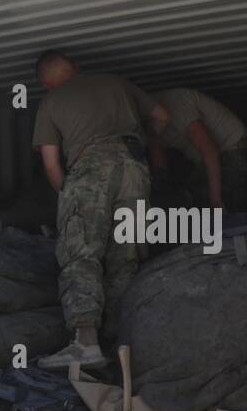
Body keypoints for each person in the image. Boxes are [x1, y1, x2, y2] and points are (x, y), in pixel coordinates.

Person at [31, 50, 170, 369]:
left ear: (46, 84)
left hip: (90, 170)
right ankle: (121, 341)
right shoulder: (116, 82)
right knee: (126, 254)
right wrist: (142, 143)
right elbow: (163, 117)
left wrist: (69, 198)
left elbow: (51, 164)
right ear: (76, 68)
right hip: (134, 168)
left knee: (81, 252)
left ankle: (86, 343)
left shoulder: (51, 103)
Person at [149, 87, 247, 211]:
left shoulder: (176, 103)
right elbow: (160, 170)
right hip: (205, 163)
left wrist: (216, 202)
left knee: (200, 202)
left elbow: (209, 151)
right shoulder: (146, 128)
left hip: (233, 149)